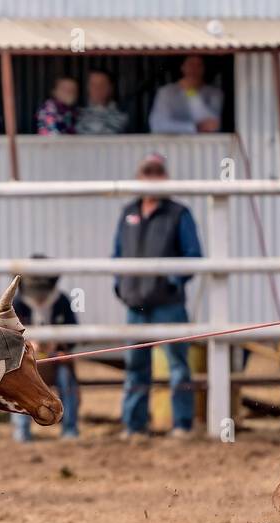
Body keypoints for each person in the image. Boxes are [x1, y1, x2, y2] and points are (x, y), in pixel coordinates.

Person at [112, 153, 202, 439]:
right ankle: (135, 425)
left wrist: (173, 283)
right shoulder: (128, 212)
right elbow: (117, 254)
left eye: (157, 172)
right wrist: (120, 285)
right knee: (136, 365)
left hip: (168, 303)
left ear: (165, 177)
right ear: (139, 177)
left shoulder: (178, 213)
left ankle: (182, 425)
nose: (152, 177)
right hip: (135, 303)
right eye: (147, 171)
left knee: (178, 365)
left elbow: (193, 255)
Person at [10, 264, 80, 443]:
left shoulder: (62, 301)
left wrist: (61, 346)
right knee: (20, 385)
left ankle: (70, 429)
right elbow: (9, 336)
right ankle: (22, 431)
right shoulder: (17, 303)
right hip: (28, 362)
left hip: (55, 360)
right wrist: (28, 345)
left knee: (67, 378)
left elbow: (74, 332)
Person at [148, 55, 223, 134]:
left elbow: (212, 126)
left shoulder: (215, 93)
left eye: (199, 65)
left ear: (205, 68)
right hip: (173, 144)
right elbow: (157, 125)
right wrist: (194, 127)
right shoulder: (166, 92)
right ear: (182, 67)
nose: (194, 69)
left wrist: (190, 92)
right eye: (190, 64)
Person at [76, 70, 128, 135]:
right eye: (93, 84)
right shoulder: (76, 114)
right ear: (88, 87)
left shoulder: (122, 116)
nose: (97, 88)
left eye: (102, 84)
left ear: (110, 88)